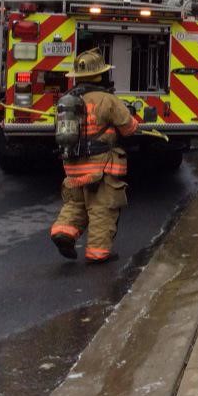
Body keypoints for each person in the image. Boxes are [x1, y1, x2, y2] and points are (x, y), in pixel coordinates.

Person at [49, 49, 138, 263]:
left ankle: (64, 232)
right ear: (101, 74)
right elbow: (128, 129)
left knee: (75, 203)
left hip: (72, 165)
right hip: (100, 166)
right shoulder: (107, 100)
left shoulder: (67, 101)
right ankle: (98, 254)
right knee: (102, 208)